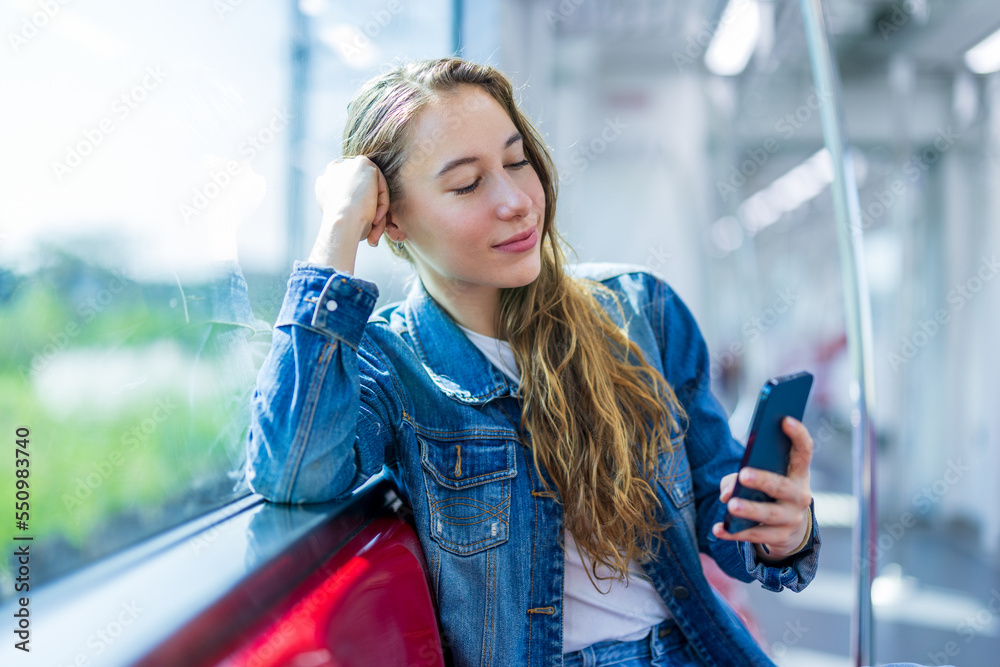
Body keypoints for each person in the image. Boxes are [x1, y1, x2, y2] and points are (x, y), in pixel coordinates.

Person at [245, 56, 821, 667]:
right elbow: (294, 469)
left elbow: (723, 513)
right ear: (391, 220)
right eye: (467, 184)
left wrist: (785, 530)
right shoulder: (392, 367)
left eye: (517, 161)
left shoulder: (641, 312)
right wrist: (337, 226)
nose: (517, 201)